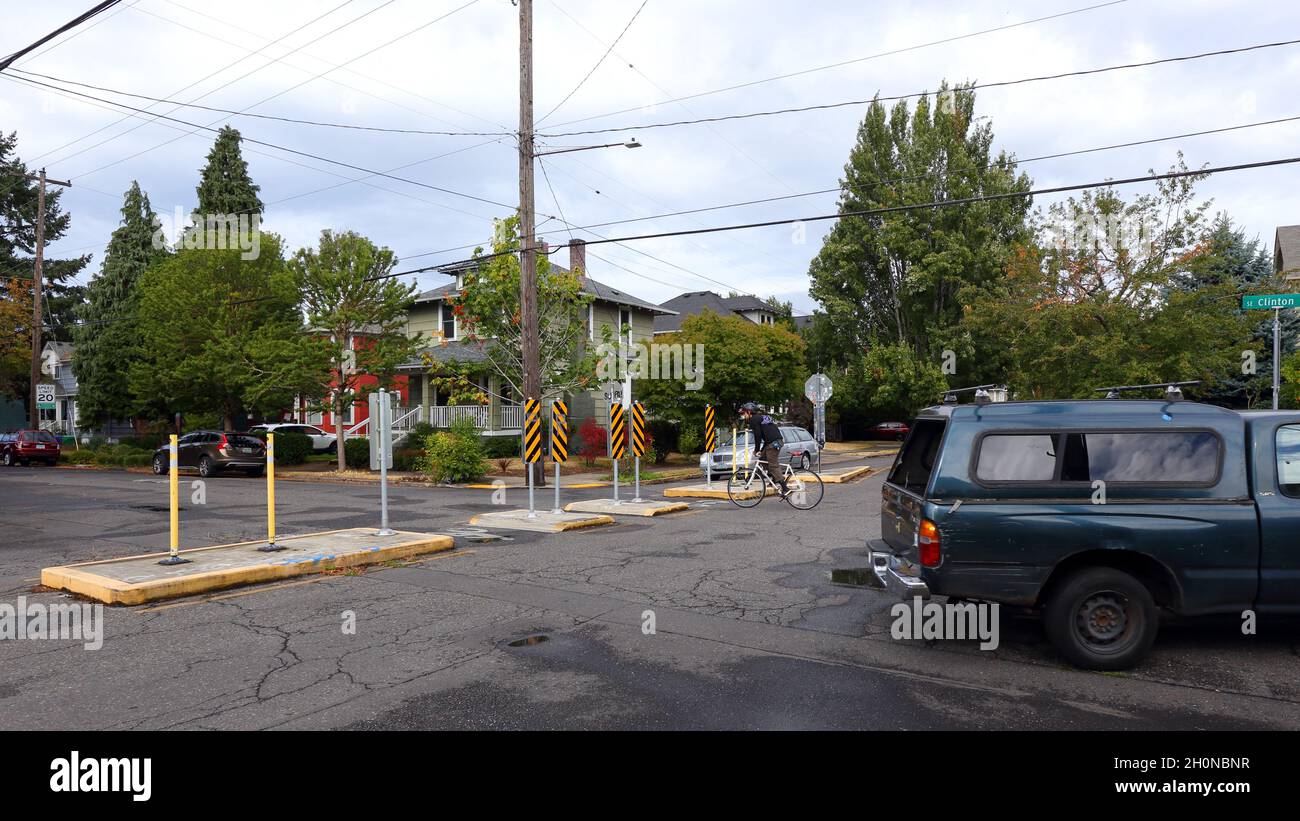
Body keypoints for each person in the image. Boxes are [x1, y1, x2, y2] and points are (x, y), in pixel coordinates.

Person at [739, 402, 787, 494]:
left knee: (773, 465)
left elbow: (758, 436)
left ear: (749, 412)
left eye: (744, 413)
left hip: (774, 443)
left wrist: (756, 450)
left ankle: (785, 488)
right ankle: (775, 477)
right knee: (762, 459)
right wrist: (761, 451)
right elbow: (767, 436)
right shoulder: (761, 417)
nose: (743, 416)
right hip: (774, 441)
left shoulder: (753, 420)